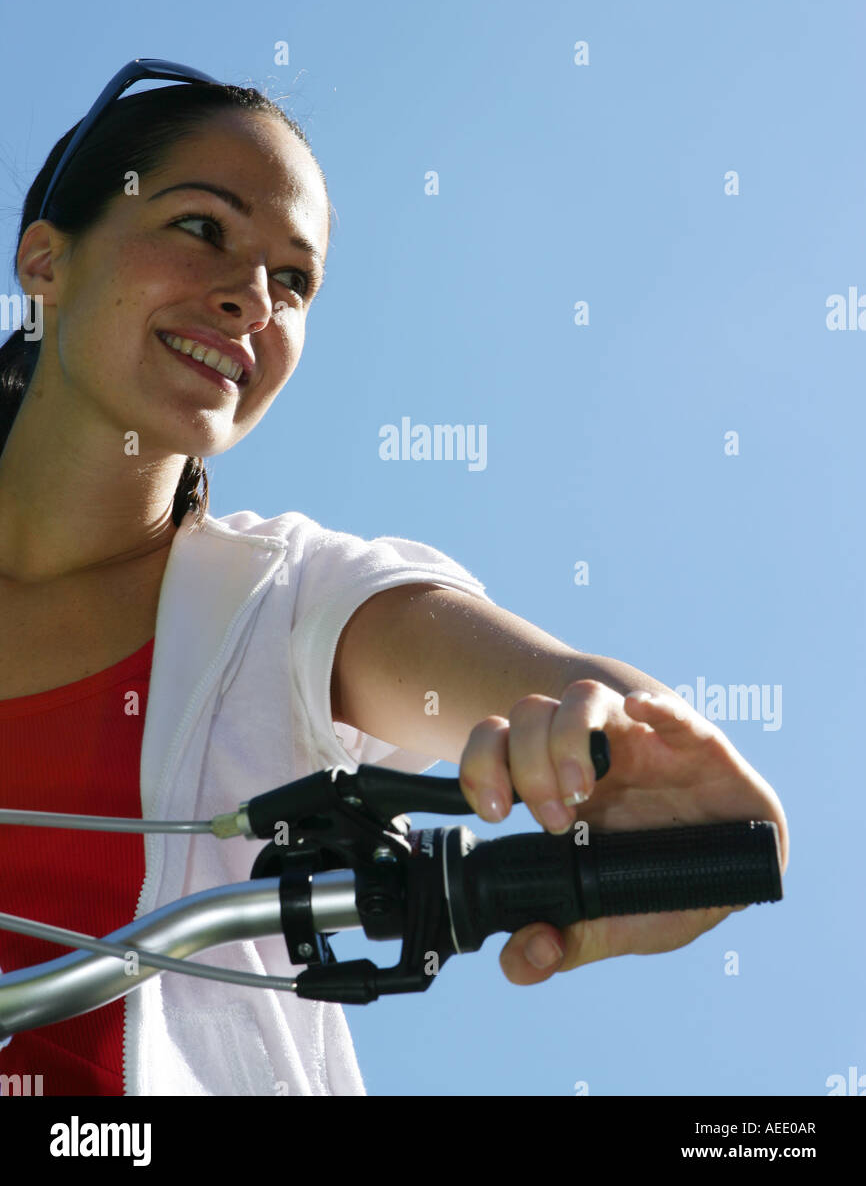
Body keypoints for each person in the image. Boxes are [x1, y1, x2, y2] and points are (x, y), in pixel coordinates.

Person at [0, 60, 789, 1097]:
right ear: (46, 259)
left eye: (294, 281)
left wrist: (623, 744)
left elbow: (520, 672)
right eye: (201, 228)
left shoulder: (281, 606)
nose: (251, 297)